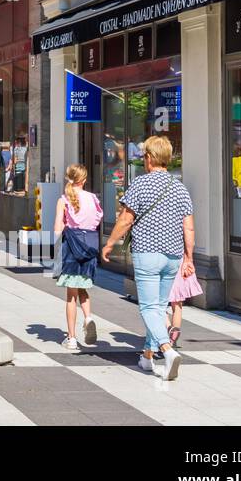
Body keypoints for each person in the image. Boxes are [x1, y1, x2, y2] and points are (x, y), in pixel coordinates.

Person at [101, 135, 194, 381]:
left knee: (149, 307)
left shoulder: (140, 184)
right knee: (159, 307)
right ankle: (147, 356)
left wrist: (110, 243)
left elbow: (125, 219)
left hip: (147, 253)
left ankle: (166, 349)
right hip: (173, 255)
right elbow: (189, 228)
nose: (143, 160)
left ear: (150, 158)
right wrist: (189, 257)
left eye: (144, 156)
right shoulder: (180, 187)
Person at [52, 163, 102, 351]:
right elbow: (97, 221)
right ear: (84, 179)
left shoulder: (64, 200)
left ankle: (71, 338)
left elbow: (58, 228)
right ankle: (88, 318)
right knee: (83, 288)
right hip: (89, 246)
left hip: (72, 247)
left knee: (71, 295)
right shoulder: (93, 199)